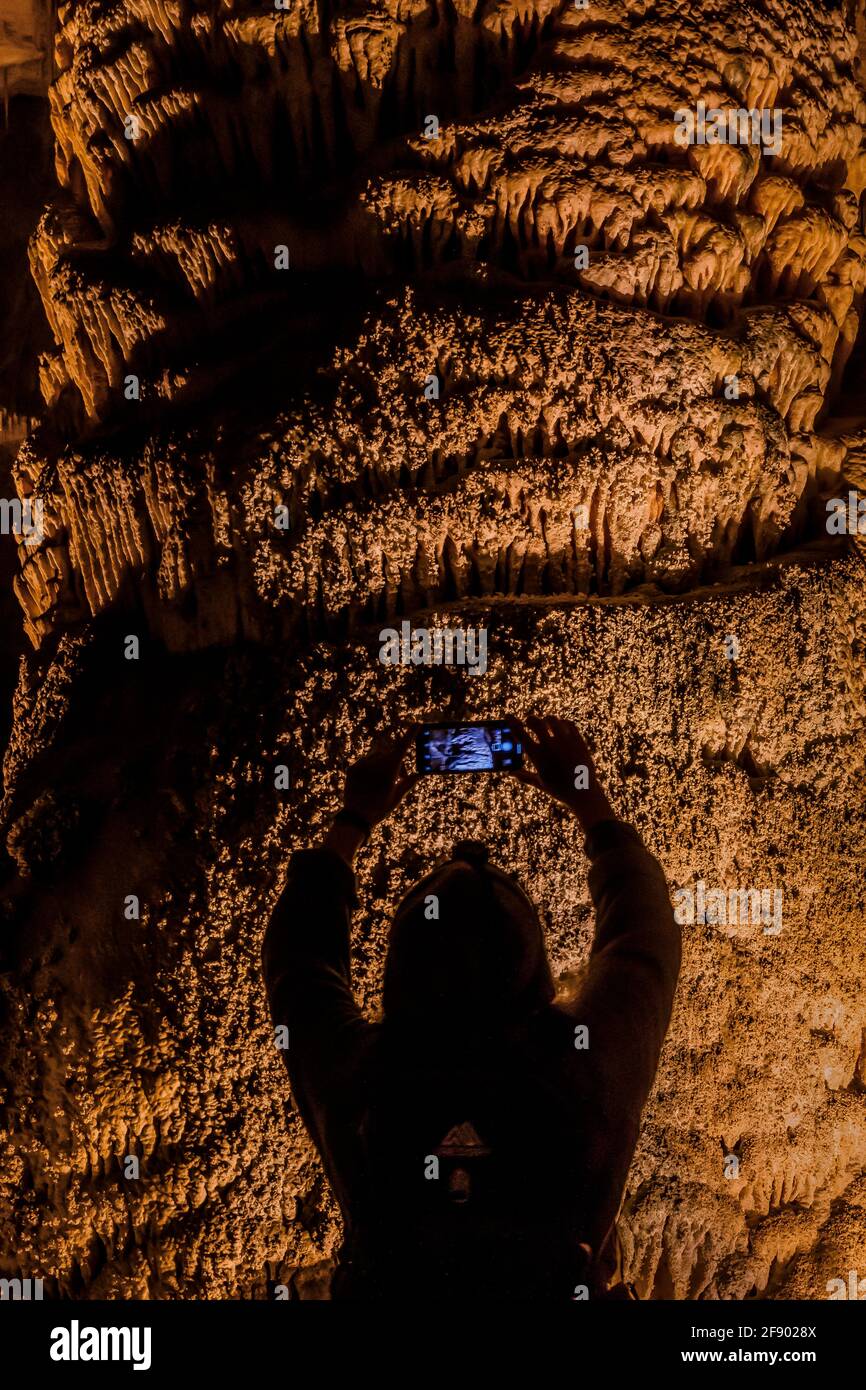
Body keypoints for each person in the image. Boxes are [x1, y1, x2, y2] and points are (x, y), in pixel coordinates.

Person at [262, 716, 681, 1299]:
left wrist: (354, 818)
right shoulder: (579, 1069)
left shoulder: (366, 1078)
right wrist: (590, 802)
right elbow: (644, 942)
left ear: (398, 974)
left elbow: (298, 966)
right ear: (535, 973)